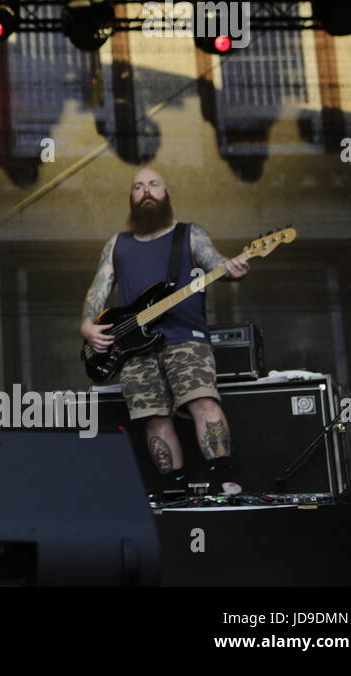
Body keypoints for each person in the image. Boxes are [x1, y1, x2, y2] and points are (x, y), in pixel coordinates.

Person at [81, 168, 249, 494]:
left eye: (153, 185)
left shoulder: (189, 233)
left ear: (166, 193)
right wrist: (87, 325)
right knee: (153, 417)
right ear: (130, 198)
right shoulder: (118, 243)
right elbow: (98, 289)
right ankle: (174, 489)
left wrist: (230, 266)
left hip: (186, 338)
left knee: (202, 401)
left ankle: (224, 480)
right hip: (132, 346)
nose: (146, 191)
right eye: (138, 187)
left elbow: (213, 261)